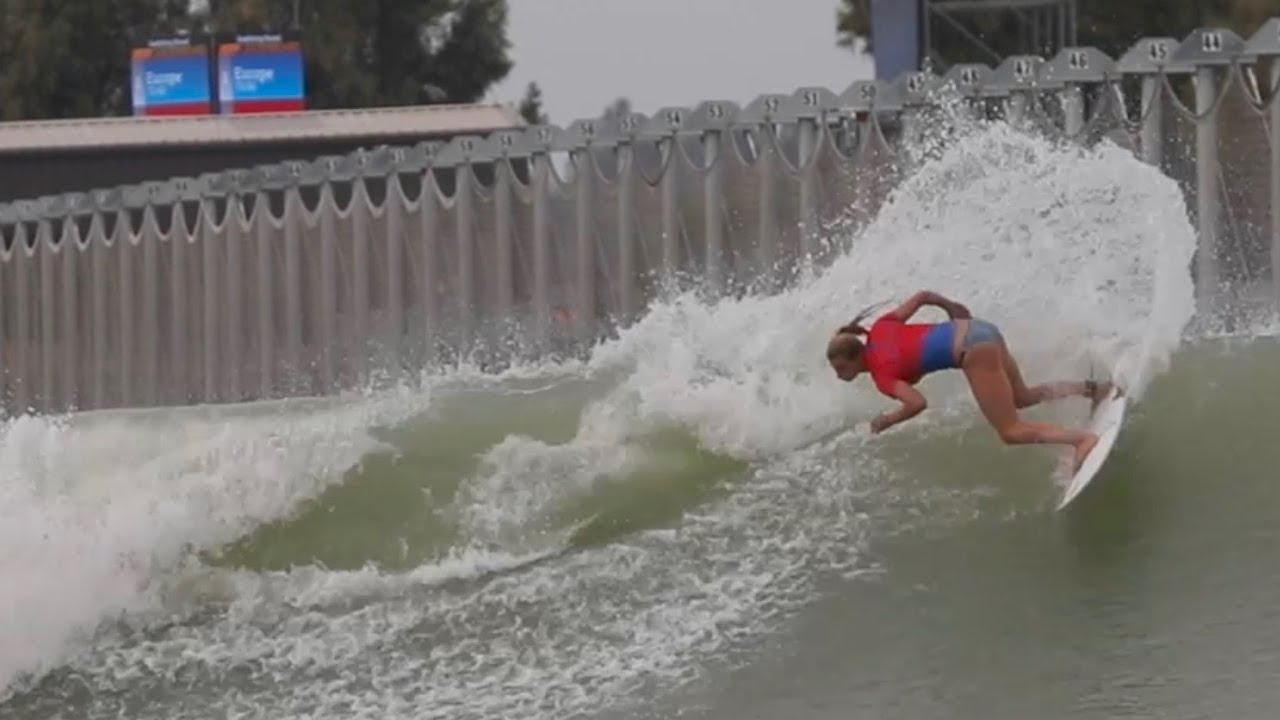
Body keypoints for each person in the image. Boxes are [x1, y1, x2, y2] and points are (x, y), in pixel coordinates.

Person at [825, 290, 1116, 474]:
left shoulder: (882, 375)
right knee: (1022, 397)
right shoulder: (883, 327)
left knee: (1011, 432)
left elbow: (917, 403)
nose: (839, 375)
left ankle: (1081, 440)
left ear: (855, 357)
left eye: (841, 368)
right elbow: (923, 296)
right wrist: (952, 309)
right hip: (980, 329)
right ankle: (1094, 390)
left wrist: (886, 421)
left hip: (973, 351)